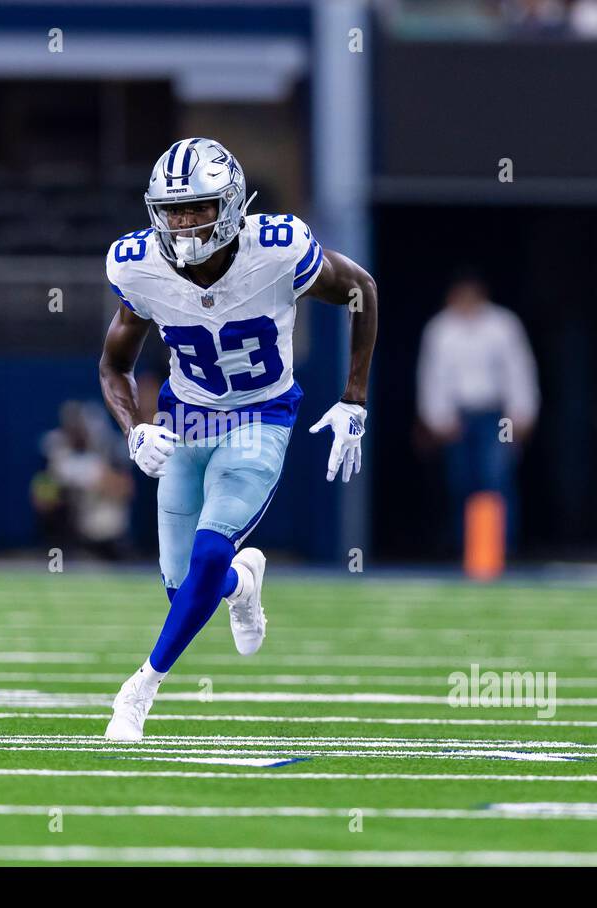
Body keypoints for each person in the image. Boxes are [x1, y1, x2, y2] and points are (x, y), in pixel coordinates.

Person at [98, 137, 378, 741]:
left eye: (197, 208)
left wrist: (354, 396)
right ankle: (242, 585)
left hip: (260, 414)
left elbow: (363, 290)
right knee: (183, 587)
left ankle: (140, 688)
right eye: (173, 211)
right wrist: (134, 428)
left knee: (206, 553)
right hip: (186, 419)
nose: (184, 223)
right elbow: (114, 364)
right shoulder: (137, 265)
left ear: (229, 205)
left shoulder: (276, 250)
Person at [415, 275, 539, 552]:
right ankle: (467, 550)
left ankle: (500, 549)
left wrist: (522, 413)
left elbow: (519, 370)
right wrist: (438, 419)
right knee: (461, 482)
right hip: (458, 417)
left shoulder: (503, 325)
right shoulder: (440, 329)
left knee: (495, 478)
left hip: (496, 416)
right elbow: (432, 376)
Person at [31, 400, 135, 560]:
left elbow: (126, 489)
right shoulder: (59, 453)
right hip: (75, 535)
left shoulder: (111, 451)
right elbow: (41, 499)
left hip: (108, 535)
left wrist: (95, 477)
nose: (78, 435)